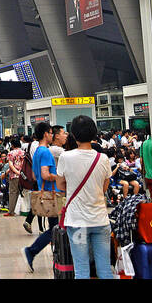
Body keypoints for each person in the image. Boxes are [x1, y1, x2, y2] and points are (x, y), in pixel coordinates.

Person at [56, 114, 114, 279]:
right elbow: (104, 187)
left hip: (77, 221)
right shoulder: (102, 158)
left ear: (73, 135)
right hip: (100, 219)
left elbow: (61, 186)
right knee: (104, 270)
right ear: (94, 133)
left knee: (81, 271)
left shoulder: (65, 157)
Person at [22, 122, 59, 273]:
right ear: (45, 134)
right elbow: (45, 174)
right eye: (51, 133)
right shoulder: (45, 152)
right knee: (55, 229)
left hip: (44, 193)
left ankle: (55, 255)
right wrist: (58, 177)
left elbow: (33, 175)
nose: (52, 135)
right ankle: (32, 250)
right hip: (51, 194)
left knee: (55, 228)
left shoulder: (36, 151)